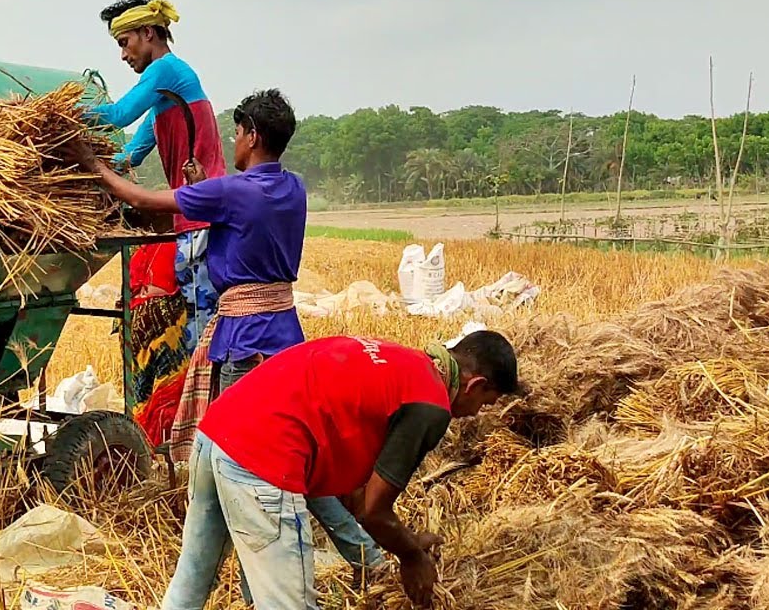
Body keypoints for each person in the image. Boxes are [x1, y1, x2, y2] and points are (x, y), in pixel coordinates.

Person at [68, 88, 383, 596]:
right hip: (284, 337)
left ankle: (267, 579)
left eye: (238, 132)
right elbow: (236, 215)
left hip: (244, 345)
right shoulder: (293, 188)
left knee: (248, 464)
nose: (233, 141)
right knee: (293, 453)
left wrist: (93, 165)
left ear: (253, 135)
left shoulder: (234, 192)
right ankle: (366, 555)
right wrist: (205, 187)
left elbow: (142, 200)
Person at [160, 331, 522, 610]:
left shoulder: (403, 362)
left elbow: (356, 499)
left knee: (191, 581)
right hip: (262, 456)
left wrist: (402, 541)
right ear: (475, 385)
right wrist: (412, 557)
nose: (476, 414)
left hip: (218, 430)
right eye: (485, 403)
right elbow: (373, 510)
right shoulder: (430, 405)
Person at [82, 0, 227, 367]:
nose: (123, 55)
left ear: (148, 33)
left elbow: (117, 115)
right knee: (196, 329)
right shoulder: (167, 100)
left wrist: (60, 114)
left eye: (124, 43)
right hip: (191, 221)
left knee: (204, 334)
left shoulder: (166, 70)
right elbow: (129, 157)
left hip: (203, 223)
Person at [119, 241, 192, 447]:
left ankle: (144, 444)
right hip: (161, 328)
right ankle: (158, 444)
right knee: (164, 390)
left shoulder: (140, 245)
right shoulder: (179, 241)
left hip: (138, 322)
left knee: (144, 391)